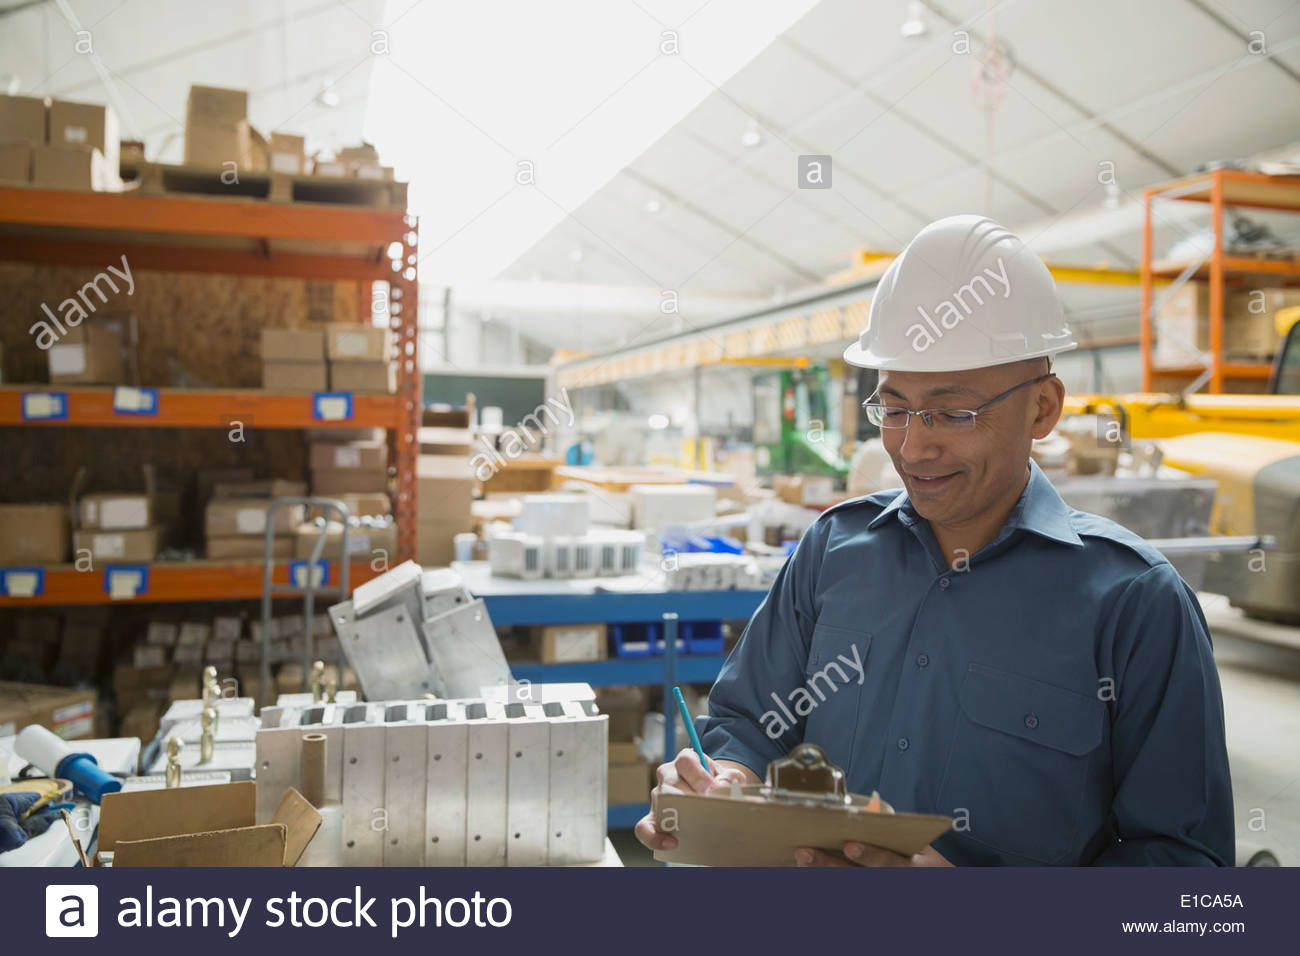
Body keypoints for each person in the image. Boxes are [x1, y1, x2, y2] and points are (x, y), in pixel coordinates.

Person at [635, 215, 1234, 866]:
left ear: (1043, 408)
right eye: (894, 409)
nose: (914, 447)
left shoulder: (1134, 603)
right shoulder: (833, 551)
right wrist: (728, 780)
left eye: (953, 412)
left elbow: (1189, 877)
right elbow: (748, 723)